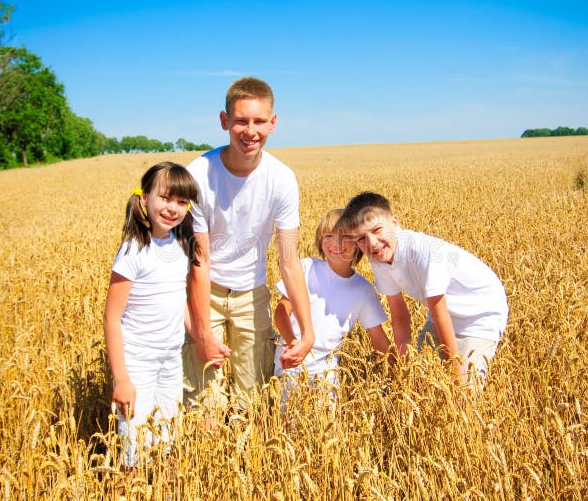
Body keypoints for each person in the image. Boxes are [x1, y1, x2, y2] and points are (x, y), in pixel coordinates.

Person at [183, 76, 314, 411]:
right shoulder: (197, 175)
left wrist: (307, 331)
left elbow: (289, 260)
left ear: (273, 123)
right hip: (205, 291)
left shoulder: (282, 179)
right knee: (203, 403)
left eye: (259, 121)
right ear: (224, 121)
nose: (250, 131)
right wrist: (202, 332)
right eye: (241, 121)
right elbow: (200, 260)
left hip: (252, 294)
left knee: (252, 400)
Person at [339, 192, 508, 387]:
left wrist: (456, 373)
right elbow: (399, 314)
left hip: (481, 314)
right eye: (361, 239)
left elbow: (440, 311)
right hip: (441, 315)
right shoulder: (379, 259)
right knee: (419, 380)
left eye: (377, 230)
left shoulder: (423, 252)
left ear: (395, 223)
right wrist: (404, 367)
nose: (372, 243)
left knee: (465, 389)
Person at [103, 162, 200, 468]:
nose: (173, 208)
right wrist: (121, 379)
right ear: (144, 198)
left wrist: (201, 338)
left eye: (181, 202)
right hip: (138, 363)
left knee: (166, 442)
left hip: (171, 359)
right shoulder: (133, 250)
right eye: (165, 198)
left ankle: (164, 488)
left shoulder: (179, 245)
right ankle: (127, 487)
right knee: (133, 449)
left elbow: (179, 302)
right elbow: (111, 318)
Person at [273, 209, 392, 404]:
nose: (336, 244)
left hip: (326, 375)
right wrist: (292, 342)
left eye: (345, 237)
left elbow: (378, 338)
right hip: (290, 365)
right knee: (286, 419)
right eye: (328, 236)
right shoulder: (305, 269)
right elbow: (281, 311)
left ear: (359, 244)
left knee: (325, 420)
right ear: (320, 241)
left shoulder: (363, 290)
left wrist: (402, 374)